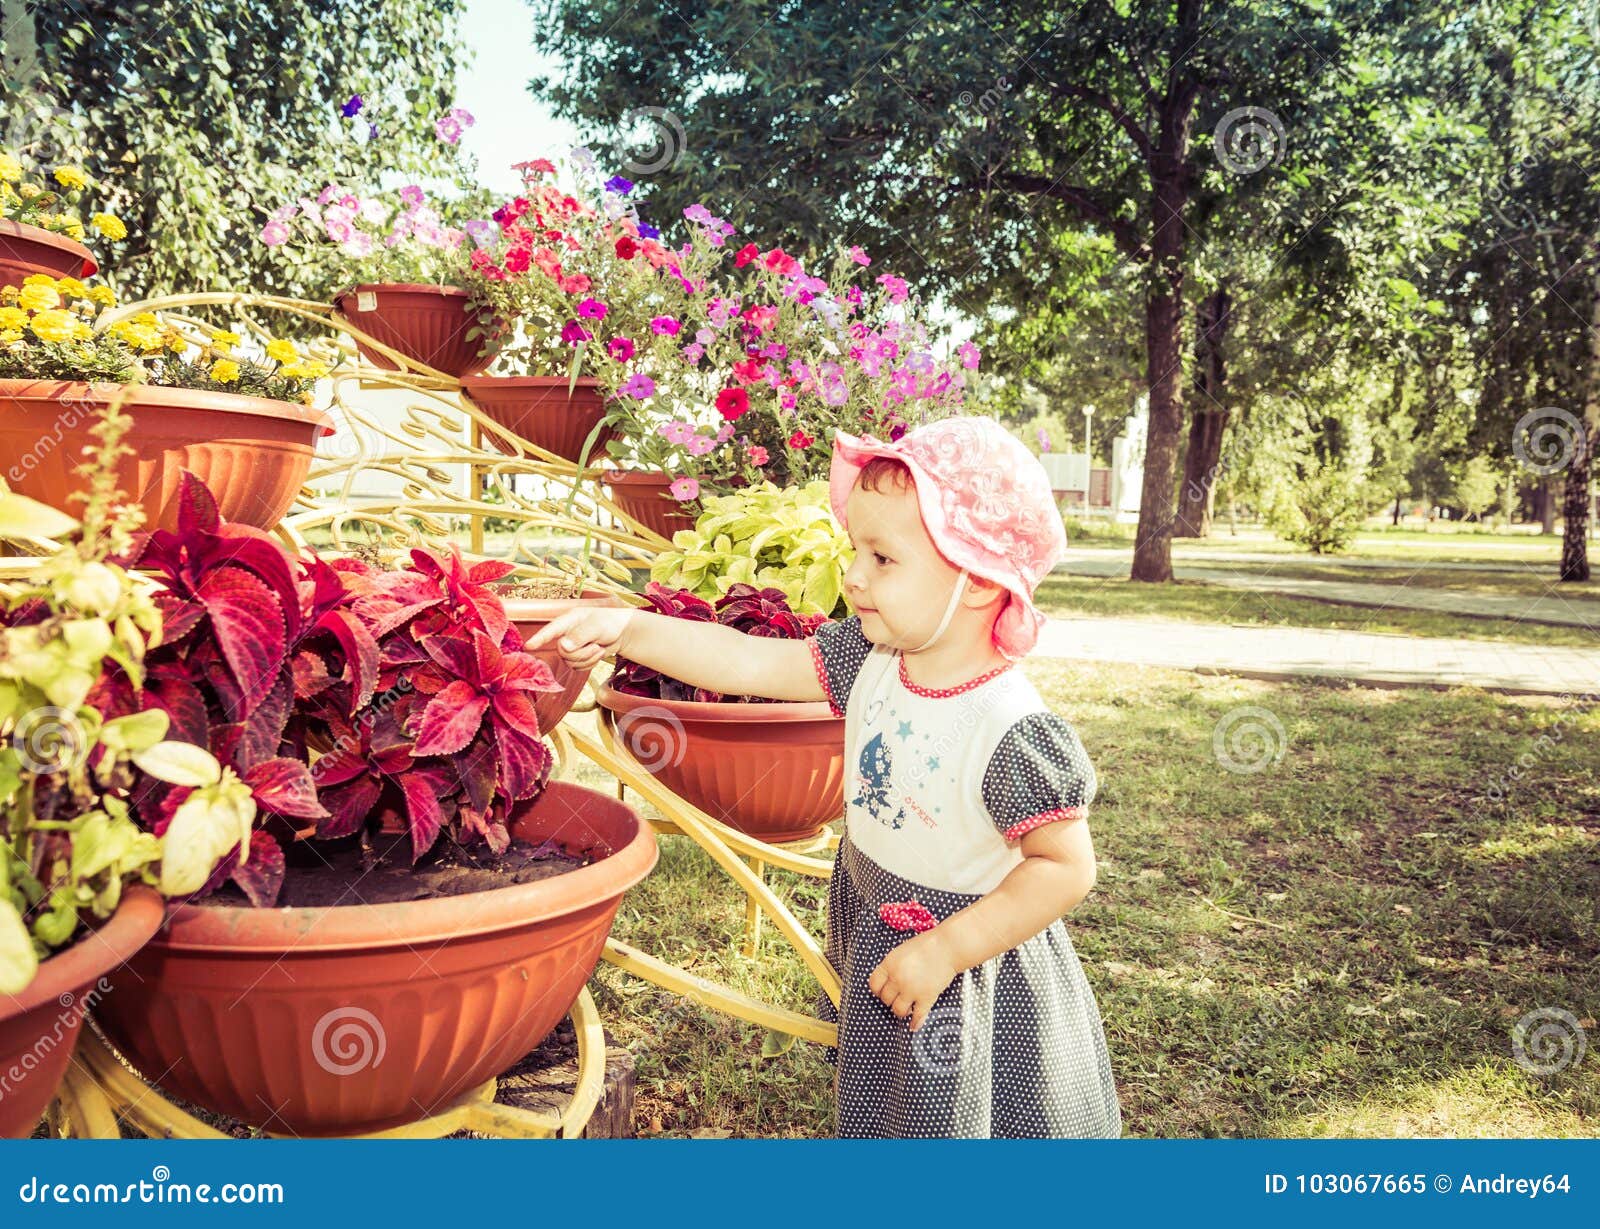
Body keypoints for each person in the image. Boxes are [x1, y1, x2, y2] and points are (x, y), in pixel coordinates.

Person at [525, 415, 1121, 1138]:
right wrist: (630, 629)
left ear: (975, 580)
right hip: (888, 931)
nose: (853, 575)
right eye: (853, 550)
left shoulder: (1008, 726)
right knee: (887, 1107)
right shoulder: (868, 659)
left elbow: (1065, 867)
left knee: (956, 1119)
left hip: (968, 973)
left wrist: (947, 949)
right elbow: (744, 661)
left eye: (882, 558)